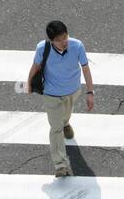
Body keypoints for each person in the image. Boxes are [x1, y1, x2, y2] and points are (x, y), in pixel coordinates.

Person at [24, 20, 94, 179]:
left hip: (72, 91)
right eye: (59, 40)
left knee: (65, 115)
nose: (63, 42)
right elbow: (35, 66)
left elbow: (85, 68)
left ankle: (65, 122)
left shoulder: (77, 46)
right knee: (55, 129)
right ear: (51, 40)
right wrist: (29, 83)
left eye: (65, 37)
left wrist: (90, 92)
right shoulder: (43, 48)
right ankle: (60, 165)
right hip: (51, 95)